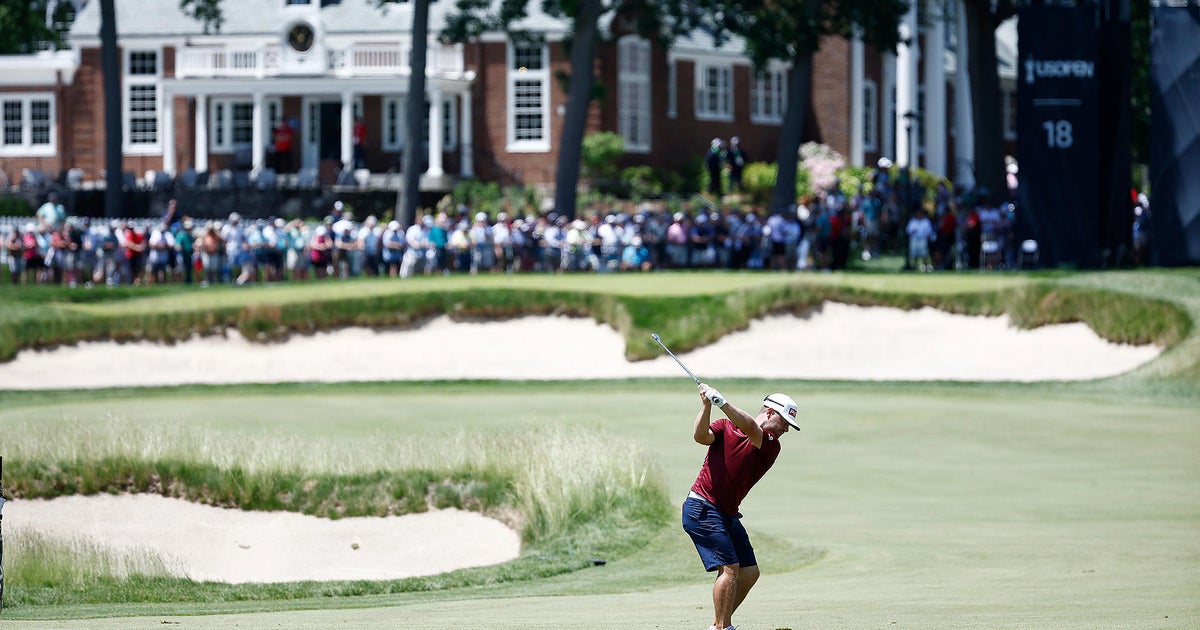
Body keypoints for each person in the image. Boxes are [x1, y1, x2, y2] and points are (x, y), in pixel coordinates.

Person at [684, 383, 801, 630]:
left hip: (726, 513)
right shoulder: (725, 427)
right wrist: (706, 405)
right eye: (784, 423)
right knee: (730, 568)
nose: (785, 430)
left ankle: (719, 624)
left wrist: (723, 403)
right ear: (770, 412)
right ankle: (723, 627)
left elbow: (749, 426)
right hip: (702, 507)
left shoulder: (770, 443)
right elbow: (700, 437)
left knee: (749, 572)